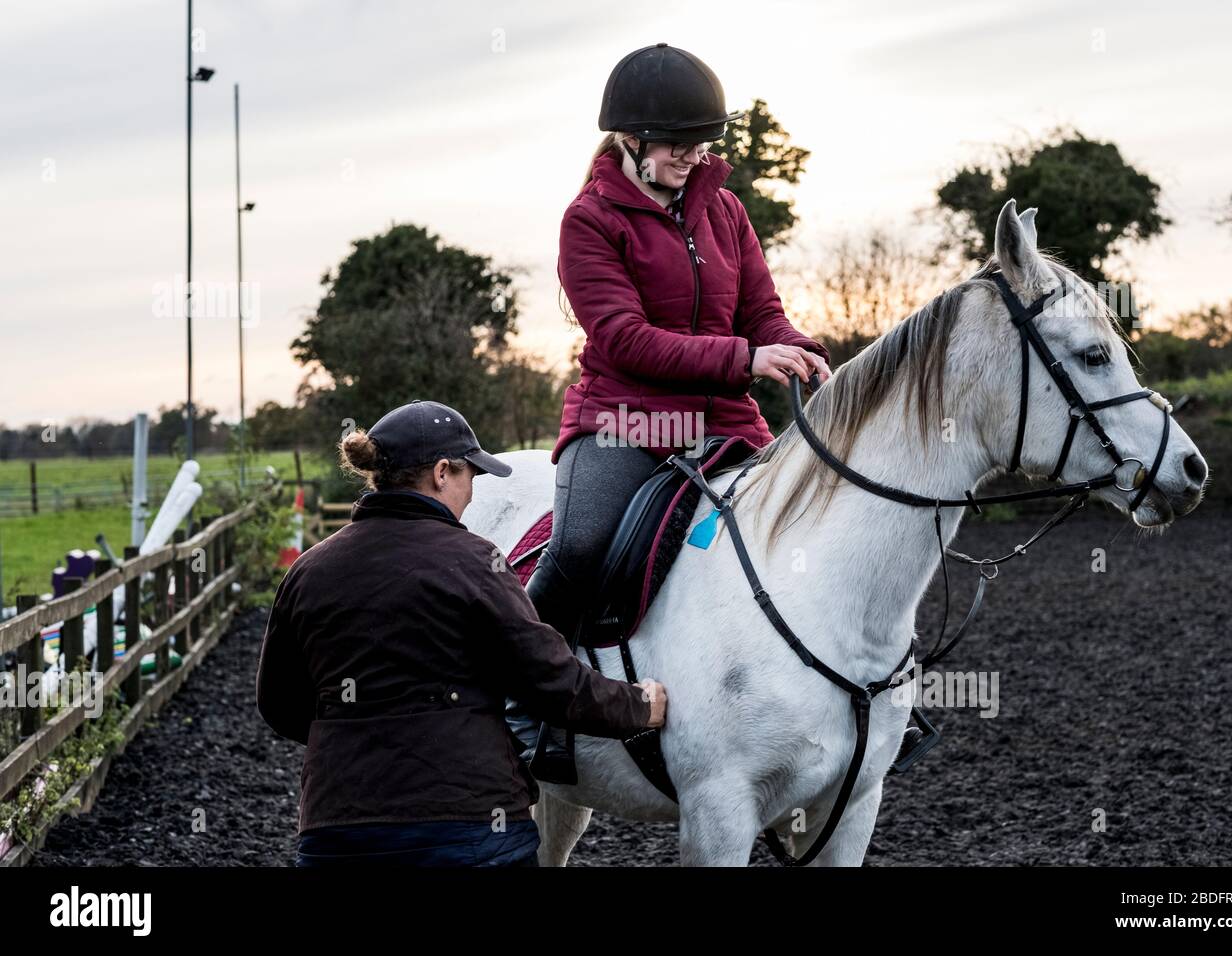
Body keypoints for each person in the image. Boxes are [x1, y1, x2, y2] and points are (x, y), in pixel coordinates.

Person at [510, 43, 832, 782]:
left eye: (701, 145)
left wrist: (796, 348)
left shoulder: (725, 210)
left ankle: (854, 704)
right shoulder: (587, 221)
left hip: (726, 425)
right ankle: (522, 703)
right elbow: (624, 338)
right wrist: (743, 359)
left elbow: (761, 311)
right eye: (678, 146)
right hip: (626, 419)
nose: (694, 158)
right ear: (630, 139)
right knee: (582, 545)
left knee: (814, 534)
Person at [256, 400, 667, 866]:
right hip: (466, 828)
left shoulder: (308, 570)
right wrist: (639, 706)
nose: (472, 492)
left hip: (337, 832)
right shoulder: (474, 562)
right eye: (470, 476)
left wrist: (357, 736)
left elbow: (280, 704)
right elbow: (551, 682)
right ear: (441, 472)